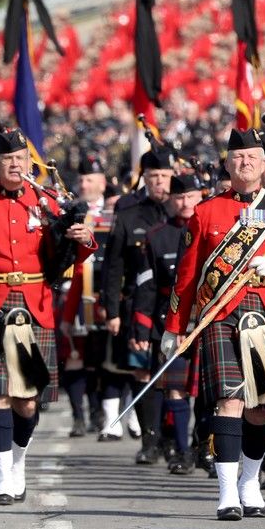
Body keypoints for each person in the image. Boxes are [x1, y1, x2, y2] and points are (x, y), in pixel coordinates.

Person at [162, 128, 265, 521]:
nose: (245, 162)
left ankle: (250, 480)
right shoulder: (206, 212)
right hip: (223, 314)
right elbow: (186, 276)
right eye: (238, 157)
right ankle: (226, 491)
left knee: (261, 408)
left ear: (263, 163)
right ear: (228, 163)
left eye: (252, 156)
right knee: (229, 400)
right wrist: (174, 327)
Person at [0, 128, 96, 505]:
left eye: (21, 159)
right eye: (7, 159)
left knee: (27, 401)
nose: (15, 165)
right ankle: (2, 479)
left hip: (33, 305)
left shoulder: (47, 202)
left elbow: (73, 254)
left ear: (30, 163)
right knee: (0, 395)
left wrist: (85, 238)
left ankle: (18, 462)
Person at [99, 145, 175, 442]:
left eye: (165, 175)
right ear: (145, 177)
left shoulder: (181, 208)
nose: (159, 182)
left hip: (173, 303)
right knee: (142, 372)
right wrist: (112, 309)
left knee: (173, 375)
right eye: (153, 176)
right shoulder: (128, 209)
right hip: (137, 303)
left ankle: (172, 439)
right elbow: (113, 263)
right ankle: (149, 440)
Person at [130, 173, 202, 471]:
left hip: (209, 319)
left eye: (190, 196)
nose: (185, 202)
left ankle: (205, 449)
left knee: (211, 394)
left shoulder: (215, 229)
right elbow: (146, 286)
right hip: (170, 319)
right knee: (175, 389)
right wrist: (142, 327)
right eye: (180, 197)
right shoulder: (157, 236)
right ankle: (183, 453)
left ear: (201, 195)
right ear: (172, 200)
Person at [59, 154, 116, 437]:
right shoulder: (68, 208)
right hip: (74, 288)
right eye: (81, 179)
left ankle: (97, 410)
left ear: (103, 182)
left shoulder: (114, 211)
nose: (84, 183)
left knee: (100, 356)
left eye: (90, 178)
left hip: (103, 289)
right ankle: (78, 415)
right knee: (74, 353)